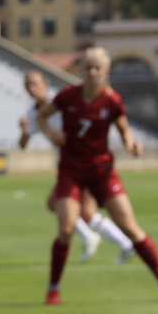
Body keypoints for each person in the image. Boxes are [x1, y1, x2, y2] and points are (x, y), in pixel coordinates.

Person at [35, 48, 158, 305]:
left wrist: (130, 143)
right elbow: (42, 116)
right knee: (67, 229)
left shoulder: (112, 100)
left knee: (131, 228)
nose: (93, 73)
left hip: (102, 172)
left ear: (106, 72)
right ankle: (54, 287)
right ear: (81, 71)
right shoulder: (68, 96)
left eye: (98, 68)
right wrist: (51, 134)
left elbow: (123, 128)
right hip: (71, 171)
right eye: (88, 68)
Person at [19, 70, 136, 263]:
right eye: (28, 85)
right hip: (68, 167)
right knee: (68, 208)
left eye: (36, 83)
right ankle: (117, 243)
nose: (33, 89)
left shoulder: (61, 102)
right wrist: (24, 132)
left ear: (45, 84)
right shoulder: (33, 113)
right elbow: (23, 145)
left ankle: (121, 243)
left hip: (83, 164)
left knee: (79, 210)